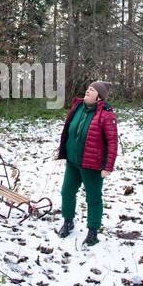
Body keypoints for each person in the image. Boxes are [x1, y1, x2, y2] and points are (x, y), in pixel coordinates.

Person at [57, 81, 118, 245]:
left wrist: (108, 167)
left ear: (99, 97)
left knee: (93, 198)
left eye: (92, 90)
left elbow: (112, 142)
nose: (87, 91)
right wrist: (63, 150)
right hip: (73, 162)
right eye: (88, 88)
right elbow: (69, 131)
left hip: (92, 165)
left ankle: (93, 231)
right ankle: (68, 221)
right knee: (67, 192)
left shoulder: (106, 114)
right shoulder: (77, 107)